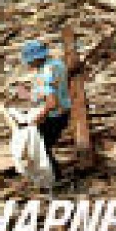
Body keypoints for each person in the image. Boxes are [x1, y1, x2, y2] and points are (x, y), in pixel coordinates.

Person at [21, 40, 70, 180]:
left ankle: (54, 178)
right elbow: (54, 91)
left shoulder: (45, 73)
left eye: (29, 61)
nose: (28, 64)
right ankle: (54, 176)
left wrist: (38, 117)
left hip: (53, 116)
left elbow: (52, 103)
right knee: (43, 146)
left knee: (40, 147)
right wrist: (31, 95)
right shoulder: (57, 65)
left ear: (36, 59)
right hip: (62, 112)